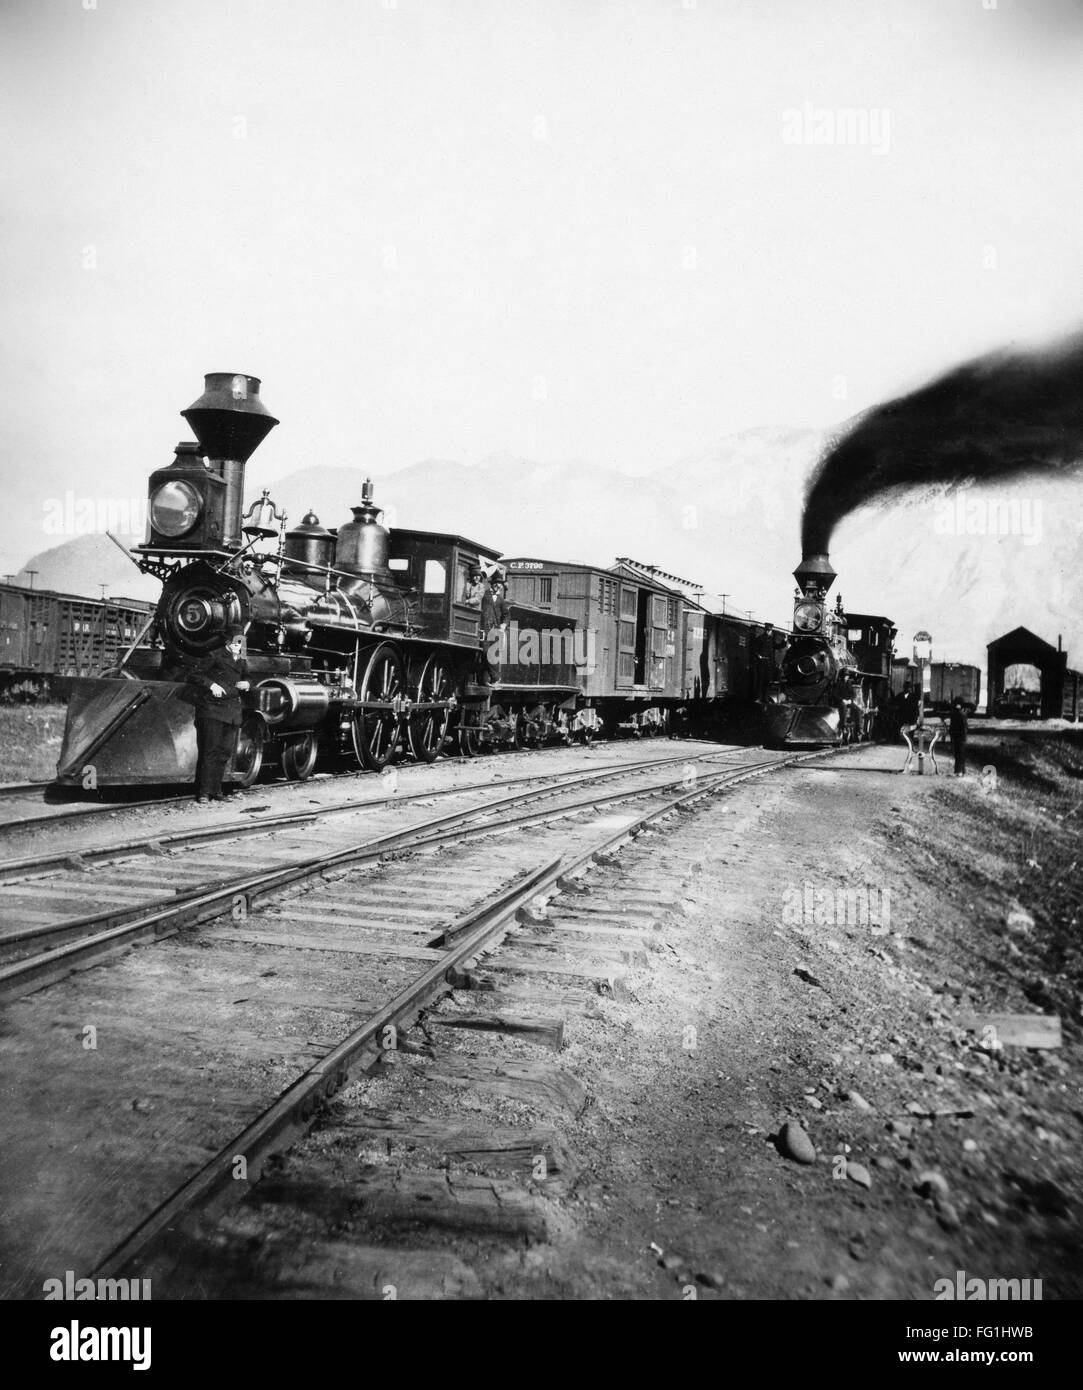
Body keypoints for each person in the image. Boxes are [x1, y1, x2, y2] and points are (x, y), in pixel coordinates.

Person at [188, 630, 250, 803]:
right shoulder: (214, 656)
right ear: (227, 643)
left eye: (242, 643)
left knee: (224, 752)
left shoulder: (242, 660)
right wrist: (211, 684)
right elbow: (194, 675)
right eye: (237, 643)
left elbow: (248, 677)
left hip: (232, 712)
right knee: (210, 751)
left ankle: (216, 790)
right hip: (213, 710)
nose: (239, 647)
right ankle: (203, 793)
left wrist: (248, 683)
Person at [478, 571, 508, 686]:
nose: (498, 586)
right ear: (492, 584)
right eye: (496, 583)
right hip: (484, 629)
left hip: (495, 631)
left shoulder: (500, 599)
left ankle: (487, 680)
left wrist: (503, 625)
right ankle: (495, 678)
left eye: (500, 584)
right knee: (485, 653)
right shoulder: (484, 595)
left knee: (492, 655)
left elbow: (506, 614)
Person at [949, 696, 968, 777]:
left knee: (958, 754)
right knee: (960, 754)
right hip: (960, 737)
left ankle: (958, 771)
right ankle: (961, 770)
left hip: (957, 737)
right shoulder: (962, 714)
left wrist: (951, 736)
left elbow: (952, 727)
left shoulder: (954, 714)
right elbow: (964, 727)